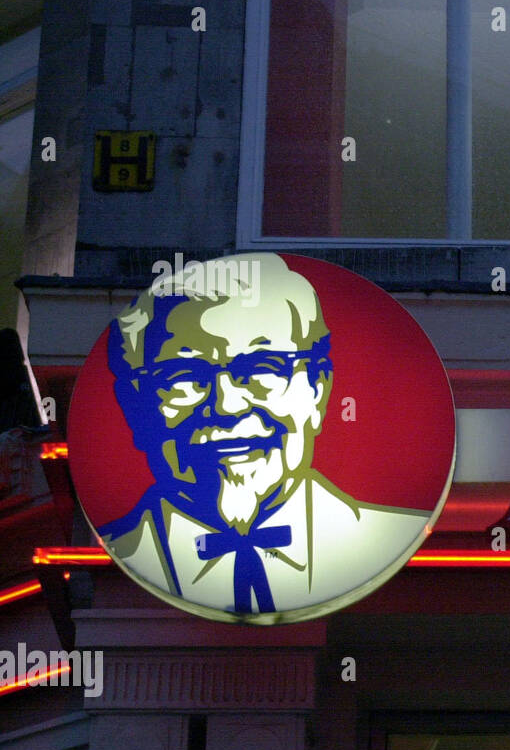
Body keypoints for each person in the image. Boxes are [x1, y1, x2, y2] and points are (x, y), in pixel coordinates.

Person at [100, 253, 430, 623]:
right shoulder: (115, 552)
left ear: (317, 390)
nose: (227, 405)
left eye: (261, 367)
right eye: (184, 375)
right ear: (134, 406)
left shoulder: (392, 536)